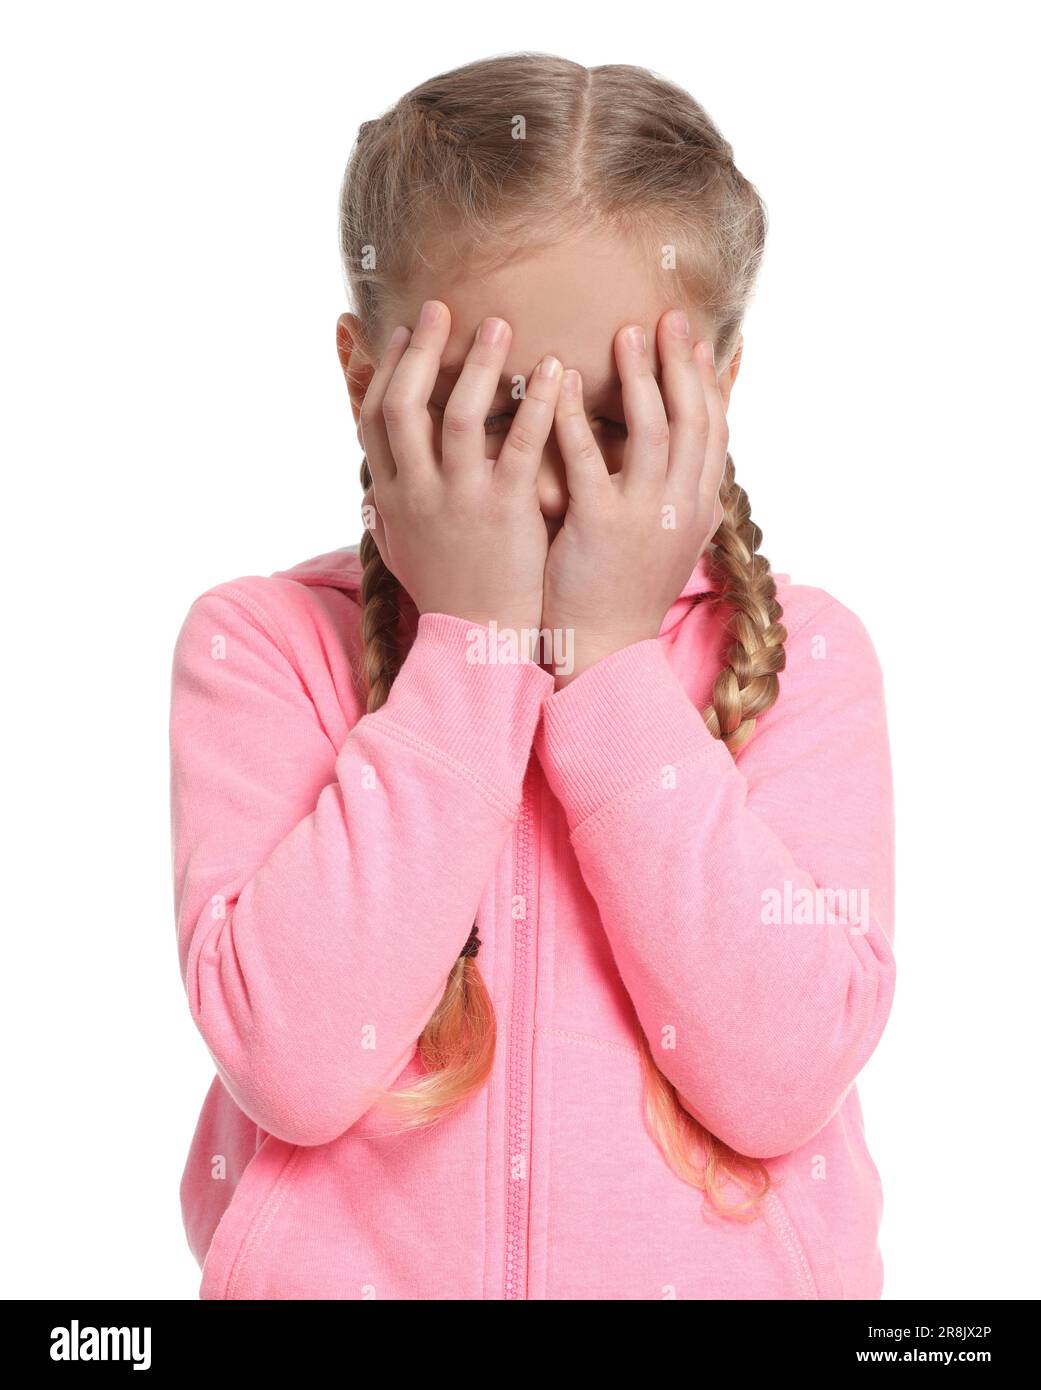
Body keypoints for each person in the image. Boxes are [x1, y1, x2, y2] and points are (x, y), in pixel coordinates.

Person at [169, 52, 896, 1300]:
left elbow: (783, 1077)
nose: (556, 475)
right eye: (495, 412)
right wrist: (472, 650)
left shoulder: (803, 665)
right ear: (367, 381)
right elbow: (291, 1062)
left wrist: (610, 668)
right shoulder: (262, 649)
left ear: (715, 390)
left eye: (615, 419)